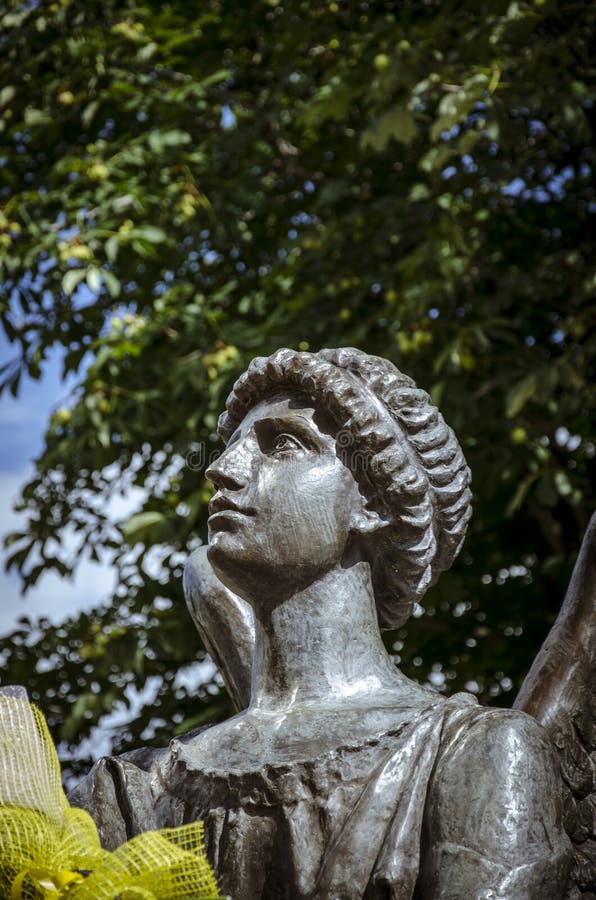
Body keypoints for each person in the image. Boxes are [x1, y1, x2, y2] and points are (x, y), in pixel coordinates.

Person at [71, 348, 572, 899]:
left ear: (374, 502)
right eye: (231, 447)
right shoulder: (133, 791)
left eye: (283, 444)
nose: (220, 468)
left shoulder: (474, 757)